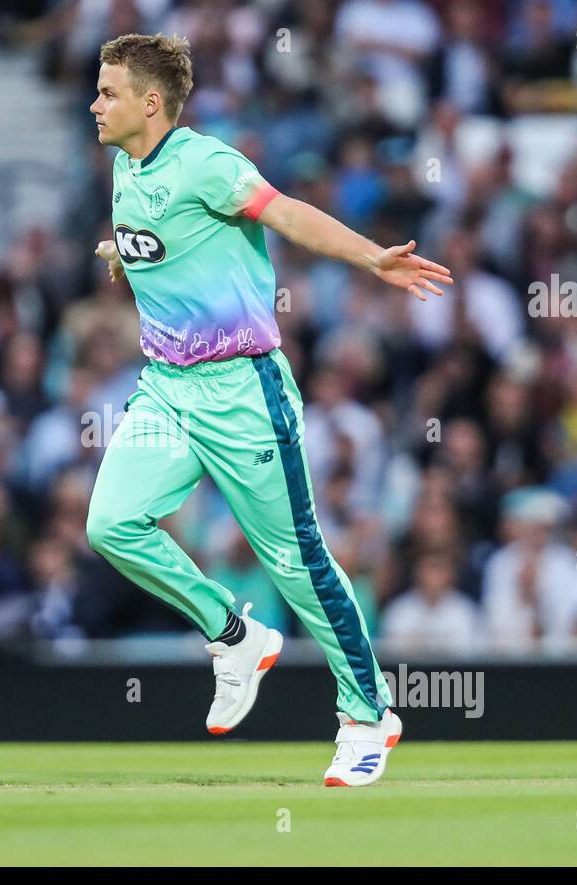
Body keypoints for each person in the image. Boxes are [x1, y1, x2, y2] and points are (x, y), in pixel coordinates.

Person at [86, 34, 452, 787]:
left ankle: (368, 714)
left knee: (297, 562)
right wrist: (126, 253)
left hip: (241, 391)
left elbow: (287, 216)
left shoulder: (208, 163)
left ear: (150, 103)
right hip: (167, 386)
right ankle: (233, 633)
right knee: (110, 524)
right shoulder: (125, 165)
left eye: (109, 92)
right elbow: (167, 239)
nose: (95, 103)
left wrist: (371, 257)